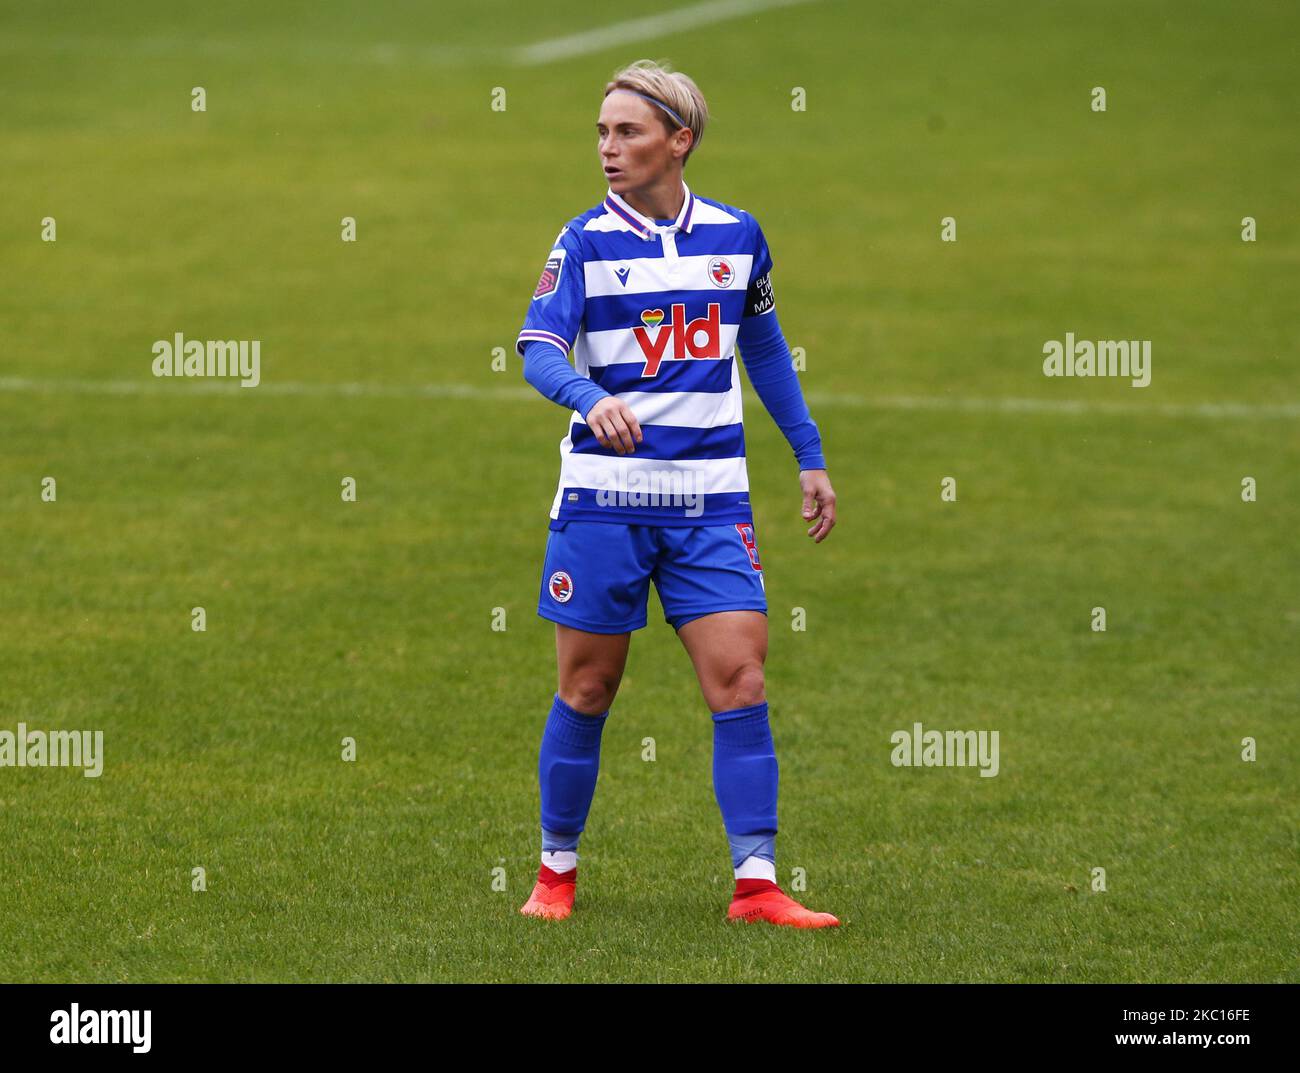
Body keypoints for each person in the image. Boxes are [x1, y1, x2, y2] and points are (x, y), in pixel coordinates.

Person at [515, 59, 839, 928]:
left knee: (742, 679)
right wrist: (589, 397)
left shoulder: (738, 237)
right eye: (602, 132)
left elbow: (762, 346)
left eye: (627, 131)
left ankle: (757, 886)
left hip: (711, 503)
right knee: (588, 688)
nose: (608, 147)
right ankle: (555, 874)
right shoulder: (583, 242)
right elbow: (537, 347)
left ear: (679, 140)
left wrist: (807, 452)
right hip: (605, 502)